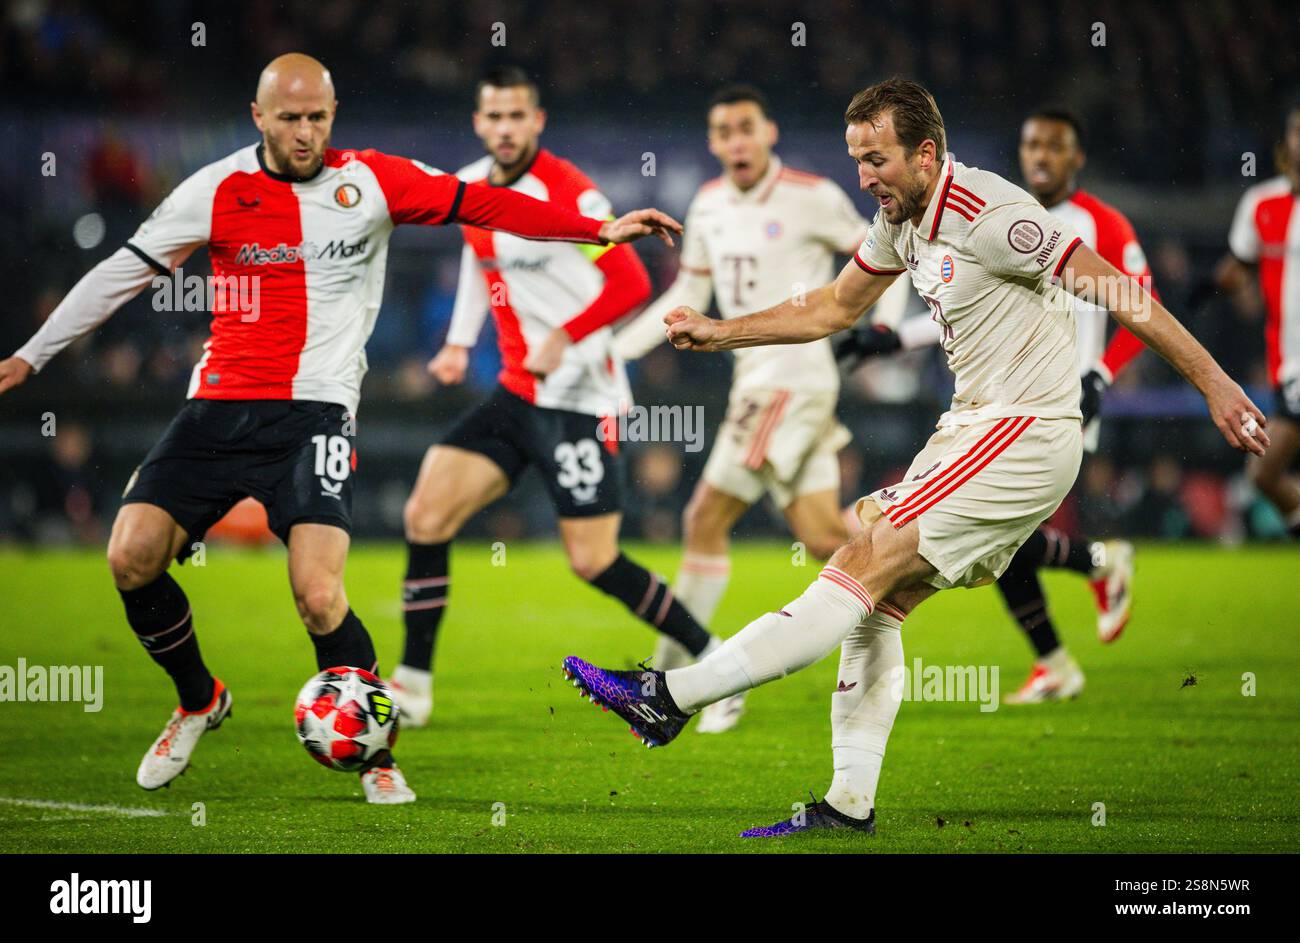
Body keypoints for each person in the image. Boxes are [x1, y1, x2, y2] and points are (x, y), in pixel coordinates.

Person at [561, 78, 1267, 838]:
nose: (865, 178)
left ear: (926, 153)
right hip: (973, 426)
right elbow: (833, 307)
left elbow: (1125, 296)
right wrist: (721, 330)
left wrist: (1218, 386)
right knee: (878, 604)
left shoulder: (992, 214)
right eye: (857, 161)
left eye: (877, 160)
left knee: (862, 558)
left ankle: (669, 697)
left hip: (1025, 429)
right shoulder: (901, 221)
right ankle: (847, 802)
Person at [0, 53, 680, 805]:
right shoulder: (218, 188)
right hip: (217, 407)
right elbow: (122, 271)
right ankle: (198, 698)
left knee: (319, 596)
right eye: (288, 117)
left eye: (317, 116)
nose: (304, 131)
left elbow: (485, 205)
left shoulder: (375, 180)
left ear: (333, 114)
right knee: (130, 556)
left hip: (316, 411)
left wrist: (597, 230)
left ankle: (377, 755)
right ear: (258, 116)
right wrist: (32, 355)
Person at [387, 67, 713, 727]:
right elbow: (485, 267)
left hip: (581, 397)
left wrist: (565, 336)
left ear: (538, 122)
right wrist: (458, 340)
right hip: (516, 392)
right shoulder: (472, 186)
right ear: (479, 123)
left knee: (593, 560)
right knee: (426, 512)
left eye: (517, 117)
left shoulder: (571, 194)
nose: (505, 128)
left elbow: (628, 282)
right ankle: (414, 684)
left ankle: (716, 661)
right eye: (493, 117)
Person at [612, 83, 911, 732]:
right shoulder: (709, 204)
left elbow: (891, 249)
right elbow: (691, 291)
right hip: (757, 377)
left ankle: (678, 680)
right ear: (714, 142)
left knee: (703, 518)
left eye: (746, 127)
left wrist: (882, 328)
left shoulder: (810, 195)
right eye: (723, 132)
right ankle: (931, 560)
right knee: (826, 536)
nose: (736, 141)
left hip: (791, 379)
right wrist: (615, 351)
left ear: (769, 131)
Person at [838, 107, 1156, 703]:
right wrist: (893, 337)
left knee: (990, 534)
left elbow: (1137, 301)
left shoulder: (1099, 222)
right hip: (994, 400)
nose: (1040, 155)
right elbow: (967, 306)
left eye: (1054, 146)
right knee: (994, 540)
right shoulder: (1002, 210)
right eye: (1031, 143)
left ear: (1076, 158)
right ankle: (1071, 624)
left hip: (1055, 394)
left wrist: (1103, 374)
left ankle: (1089, 581)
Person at [1216, 102, 1300, 538]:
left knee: (1263, 473)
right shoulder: (1262, 202)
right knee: (1263, 475)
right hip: (1288, 368)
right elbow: (1237, 274)